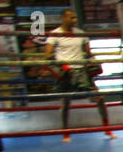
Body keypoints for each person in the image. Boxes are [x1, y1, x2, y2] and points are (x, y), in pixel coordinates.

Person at [44, 9, 115, 141]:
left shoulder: (81, 34)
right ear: (63, 18)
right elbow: (48, 55)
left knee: (99, 98)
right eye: (71, 18)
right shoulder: (54, 34)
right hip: (66, 71)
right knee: (65, 103)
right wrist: (61, 65)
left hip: (82, 71)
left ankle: (107, 129)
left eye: (75, 18)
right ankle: (66, 133)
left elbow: (88, 53)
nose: (74, 20)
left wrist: (93, 62)